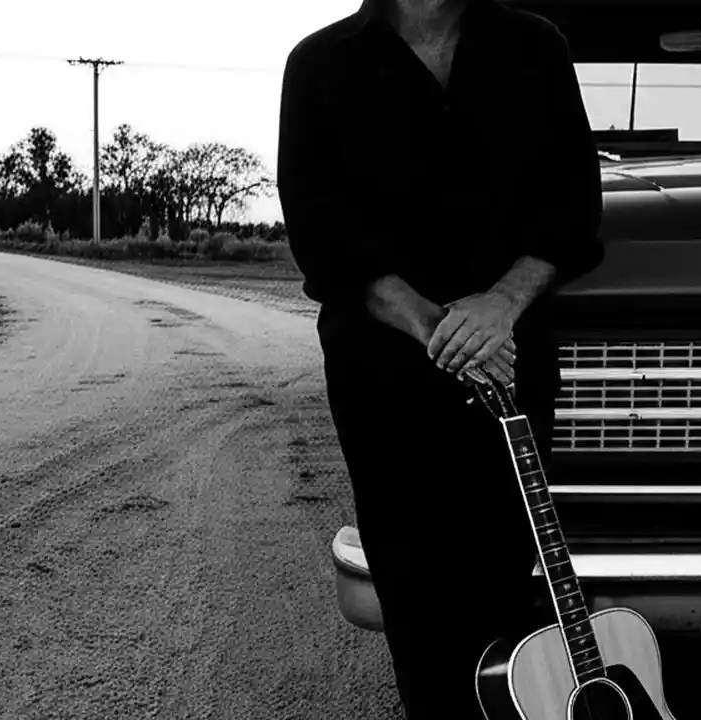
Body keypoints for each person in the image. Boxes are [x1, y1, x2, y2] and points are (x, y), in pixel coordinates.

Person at [276, 0, 604, 716]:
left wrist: (499, 305)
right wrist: (439, 330)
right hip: (385, 372)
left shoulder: (535, 46)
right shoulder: (320, 64)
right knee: (417, 589)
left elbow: (573, 205)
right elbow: (322, 233)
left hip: (511, 355)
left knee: (512, 580)